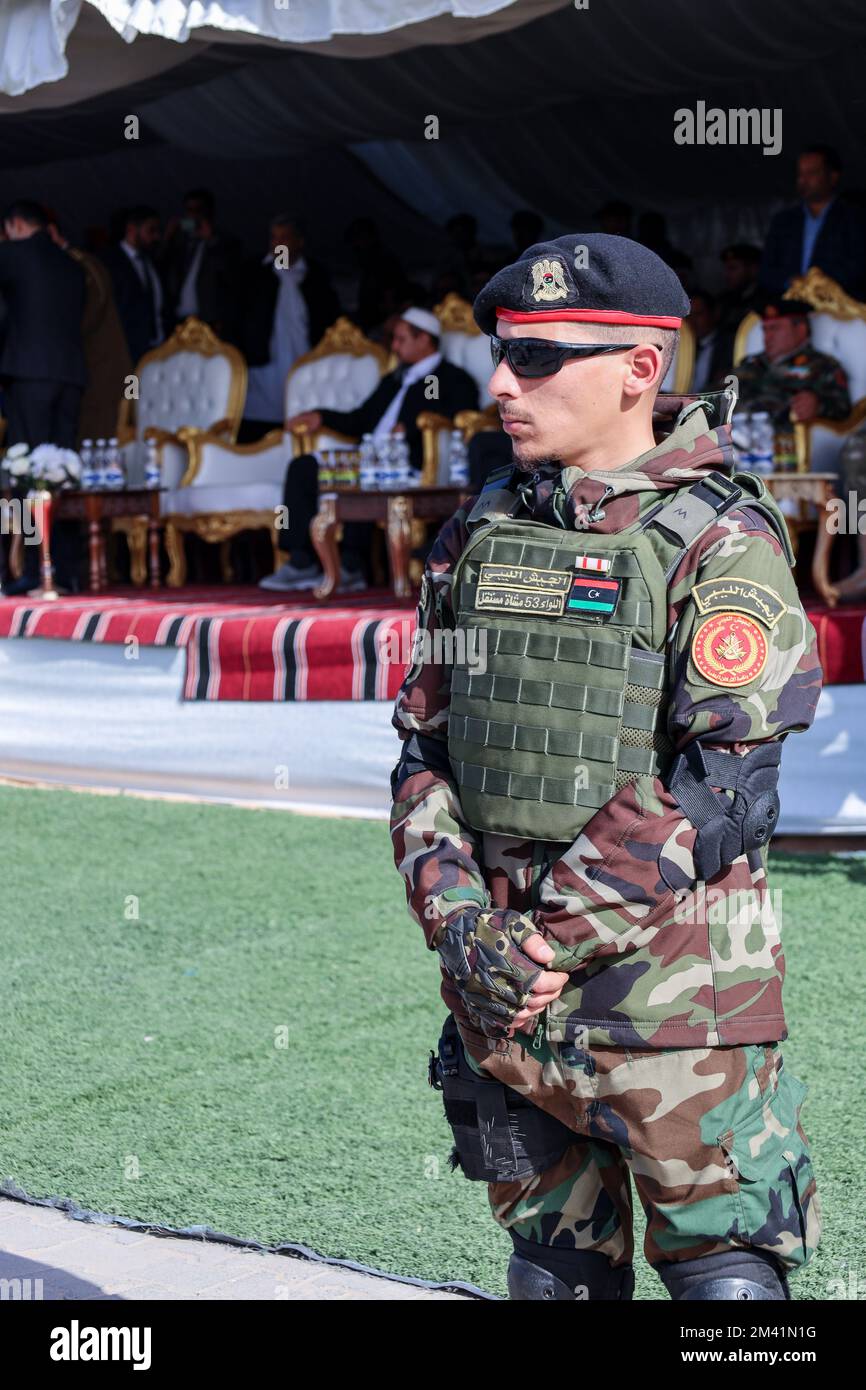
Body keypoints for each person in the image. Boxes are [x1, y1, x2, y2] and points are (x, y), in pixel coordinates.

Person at [390, 233, 823, 1301]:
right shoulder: (480, 528)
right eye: (501, 354)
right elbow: (424, 748)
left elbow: (723, 792)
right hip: (501, 1006)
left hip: (672, 1011)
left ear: (640, 367)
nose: (501, 383)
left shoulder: (720, 538)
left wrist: (539, 941)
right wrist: (459, 922)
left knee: (726, 1283)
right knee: (551, 1276)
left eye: (537, 359)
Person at [260, 307, 478, 592]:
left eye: (401, 339)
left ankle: (351, 566)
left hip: (409, 462)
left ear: (424, 339)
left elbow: (461, 416)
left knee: (368, 478)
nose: (394, 347)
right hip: (368, 457)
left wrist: (411, 428)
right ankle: (301, 561)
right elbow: (360, 419)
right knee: (303, 467)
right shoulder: (394, 380)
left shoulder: (451, 378)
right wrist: (321, 416)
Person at [0, 200, 87, 595]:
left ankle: (36, 569)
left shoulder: (14, 254)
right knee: (61, 471)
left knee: (26, 473)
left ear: (16, 225)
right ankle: (65, 569)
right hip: (70, 375)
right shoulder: (72, 264)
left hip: (29, 373)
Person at [238, 213, 340, 435]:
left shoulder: (314, 274)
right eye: (274, 238)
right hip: (264, 359)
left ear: (299, 241)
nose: (278, 243)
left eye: (284, 238)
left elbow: (329, 316)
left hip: (304, 356)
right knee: (263, 415)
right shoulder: (254, 272)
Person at [47, 218, 132, 444]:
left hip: (102, 368)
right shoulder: (81, 262)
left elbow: (88, 314)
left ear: (52, 232)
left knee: (99, 437)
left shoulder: (78, 264)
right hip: (100, 367)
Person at [759, 145, 866, 299]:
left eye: (811, 173)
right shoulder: (783, 221)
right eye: (800, 174)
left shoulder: (854, 217)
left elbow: (858, 266)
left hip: (838, 307)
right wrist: (792, 282)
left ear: (833, 176)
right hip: (790, 306)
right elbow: (766, 271)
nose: (803, 180)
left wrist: (819, 284)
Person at [736, 296, 850, 426]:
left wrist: (818, 406)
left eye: (774, 328)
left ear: (801, 329)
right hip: (737, 433)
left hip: (786, 436)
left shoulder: (822, 366)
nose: (767, 337)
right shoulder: (750, 362)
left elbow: (842, 409)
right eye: (765, 330)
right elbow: (723, 391)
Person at [162, 189, 242, 341]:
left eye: (198, 210)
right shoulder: (183, 244)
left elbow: (231, 275)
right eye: (189, 210)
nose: (193, 215)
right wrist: (168, 237)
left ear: (209, 212)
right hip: (181, 320)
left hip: (208, 321)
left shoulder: (225, 243)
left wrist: (211, 240)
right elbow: (162, 267)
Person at [100, 205, 166, 364]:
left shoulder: (151, 261)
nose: (156, 237)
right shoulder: (110, 262)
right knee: (131, 381)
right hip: (127, 349)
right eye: (151, 230)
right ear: (131, 229)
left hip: (156, 346)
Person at [688, 288, 735, 391]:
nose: (692, 321)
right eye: (689, 316)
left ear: (715, 313)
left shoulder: (730, 345)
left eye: (698, 314)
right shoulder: (681, 346)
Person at [717, 243, 763, 331]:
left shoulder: (764, 299)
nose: (727, 275)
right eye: (726, 269)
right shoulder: (723, 300)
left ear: (753, 269)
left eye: (733, 268)